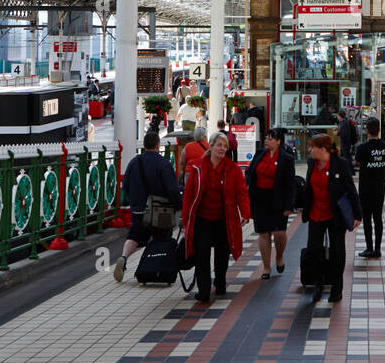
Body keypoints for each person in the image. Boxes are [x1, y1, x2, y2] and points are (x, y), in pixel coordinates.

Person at [182, 132, 251, 304]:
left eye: (225, 146)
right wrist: (186, 219)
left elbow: (241, 193)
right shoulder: (198, 167)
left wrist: (245, 212)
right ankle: (203, 290)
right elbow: (189, 195)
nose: (222, 149)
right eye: (219, 145)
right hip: (202, 219)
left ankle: (220, 283)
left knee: (222, 254)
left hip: (224, 218)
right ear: (211, 146)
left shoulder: (233, 169)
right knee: (201, 255)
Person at [114, 127, 183, 283]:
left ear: (144, 145)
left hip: (139, 209)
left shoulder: (134, 162)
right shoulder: (163, 163)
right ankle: (158, 268)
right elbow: (172, 189)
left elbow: (125, 185)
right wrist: (179, 205)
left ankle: (124, 258)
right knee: (162, 239)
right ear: (158, 145)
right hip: (160, 211)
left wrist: (135, 201)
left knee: (134, 237)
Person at [303, 133, 361, 302]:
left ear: (322, 149)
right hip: (316, 213)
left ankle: (337, 287)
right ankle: (318, 283)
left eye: (312, 147)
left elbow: (351, 189)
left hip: (335, 215)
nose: (309, 150)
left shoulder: (340, 164)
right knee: (314, 250)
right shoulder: (311, 163)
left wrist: (358, 214)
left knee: (337, 252)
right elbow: (308, 188)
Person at [245, 127, 296, 279]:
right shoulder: (260, 154)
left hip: (278, 199)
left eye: (270, 138)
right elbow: (250, 171)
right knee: (263, 232)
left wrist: (289, 205)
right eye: (266, 138)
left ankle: (279, 257)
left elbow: (290, 183)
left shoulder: (286, 158)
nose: (266, 140)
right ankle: (266, 267)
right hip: (260, 198)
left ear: (279, 141)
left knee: (279, 232)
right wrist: (248, 184)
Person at [355, 118, 385, 258]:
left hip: (365, 188)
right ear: (379, 130)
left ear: (367, 130)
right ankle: (378, 248)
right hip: (380, 187)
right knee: (378, 217)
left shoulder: (362, 148)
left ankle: (369, 248)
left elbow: (357, 160)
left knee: (367, 218)